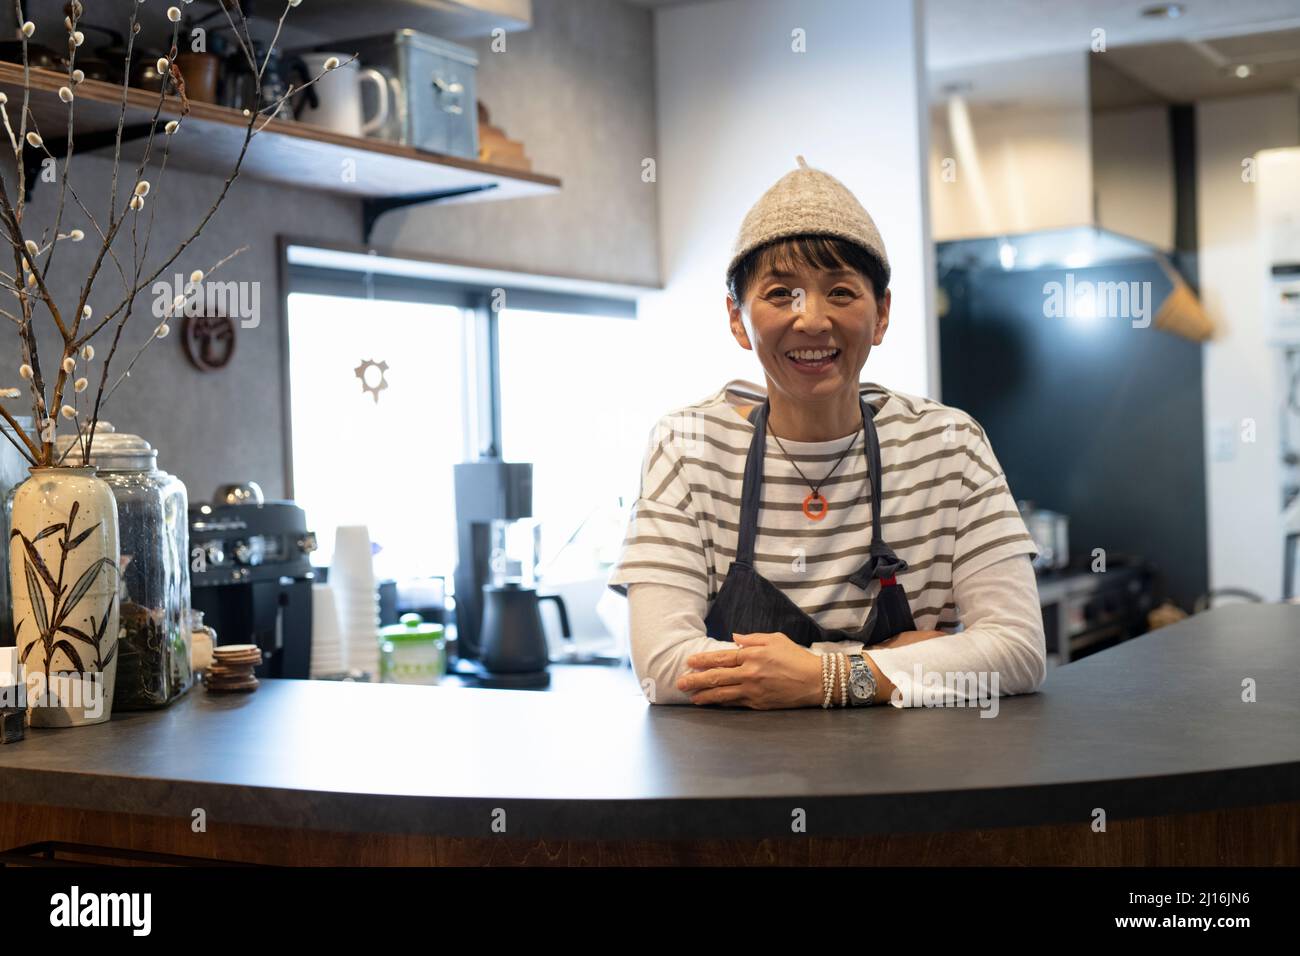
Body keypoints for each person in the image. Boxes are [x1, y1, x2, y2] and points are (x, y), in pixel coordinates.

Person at [606, 156, 1046, 709]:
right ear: (737, 319)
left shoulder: (951, 447)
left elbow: (1019, 651)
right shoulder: (688, 447)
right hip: (739, 786)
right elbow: (664, 667)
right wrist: (910, 663)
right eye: (779, 293)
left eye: (840, 292)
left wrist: (827, 676)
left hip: (917, 784)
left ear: (881, 314)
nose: (811, 320)